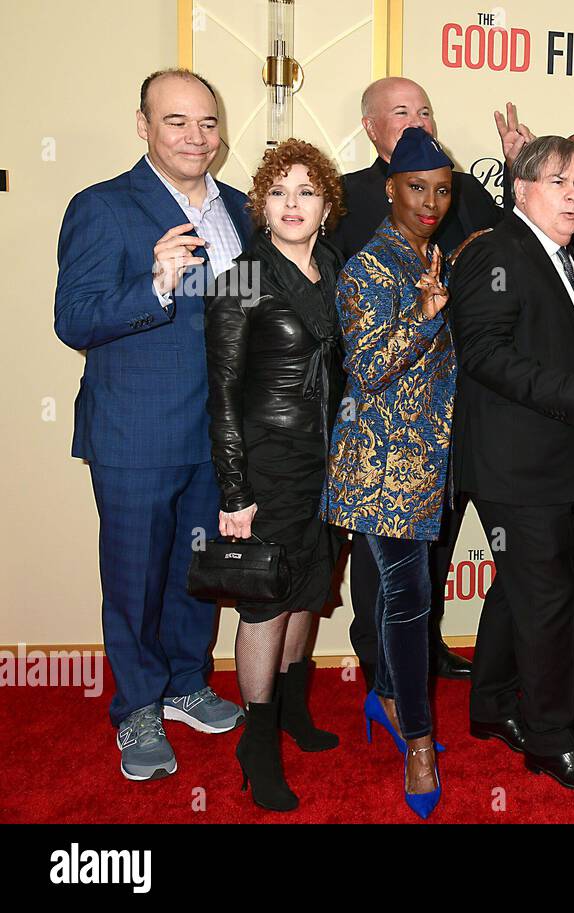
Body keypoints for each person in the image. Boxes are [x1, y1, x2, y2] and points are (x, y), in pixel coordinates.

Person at [337, 79, 574, 687]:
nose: (419, 121)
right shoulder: (347, 200)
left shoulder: (457, 194)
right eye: (402, 111)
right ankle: (383, 677)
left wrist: (523, 165)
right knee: (387, 573)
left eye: (427, 109)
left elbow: (517, 238)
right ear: (370, 129)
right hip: (388, 433)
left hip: (459, 425)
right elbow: (356, 335)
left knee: (430, 567)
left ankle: (427, 661)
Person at [54, 68, 247, 782]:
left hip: (216, 434)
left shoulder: (239, 209)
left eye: (206, 123)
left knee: (196, 571)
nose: (196, 137)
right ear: (143, 125)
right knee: (134, 577)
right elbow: (73, 317)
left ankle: (186, 682)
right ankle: (137, 704)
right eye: (176, 122)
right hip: (134, 432)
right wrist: (155, 282)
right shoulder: (103, 207)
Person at [451, 136, 574, 791]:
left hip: (554, 459)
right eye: (558, 181)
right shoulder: (498, 252)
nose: (573, 194)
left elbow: (563, 350)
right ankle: (551, 740)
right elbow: (482, 353)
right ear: (519, 187)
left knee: (518, 591)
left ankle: (493, 704)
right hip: (515, 464)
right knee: (550, 597)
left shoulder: (562, 259)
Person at [204, 139, 347, 810]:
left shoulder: (334, 267)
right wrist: (235, 493)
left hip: (326, 463)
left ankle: (292, 710)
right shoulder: (241, 275)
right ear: (261, 204)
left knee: (305, 589)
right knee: (265, 600)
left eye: (307, 192)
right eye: (279, 192)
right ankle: (256, 743)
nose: (293, 204)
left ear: (326, 206)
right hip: (266, 465)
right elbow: (223, 392)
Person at [323, 127, 458, 818]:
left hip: (424, 463)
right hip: (381, 469)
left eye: (440, 188)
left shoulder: (427, 255)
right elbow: (369, 364)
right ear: (389, 189)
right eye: (416, 188)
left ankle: (387, 698)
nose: (430, 200)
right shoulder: (368, 266)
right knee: (409, 600)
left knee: (401, 597)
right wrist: (427, 318)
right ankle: (420, 745)